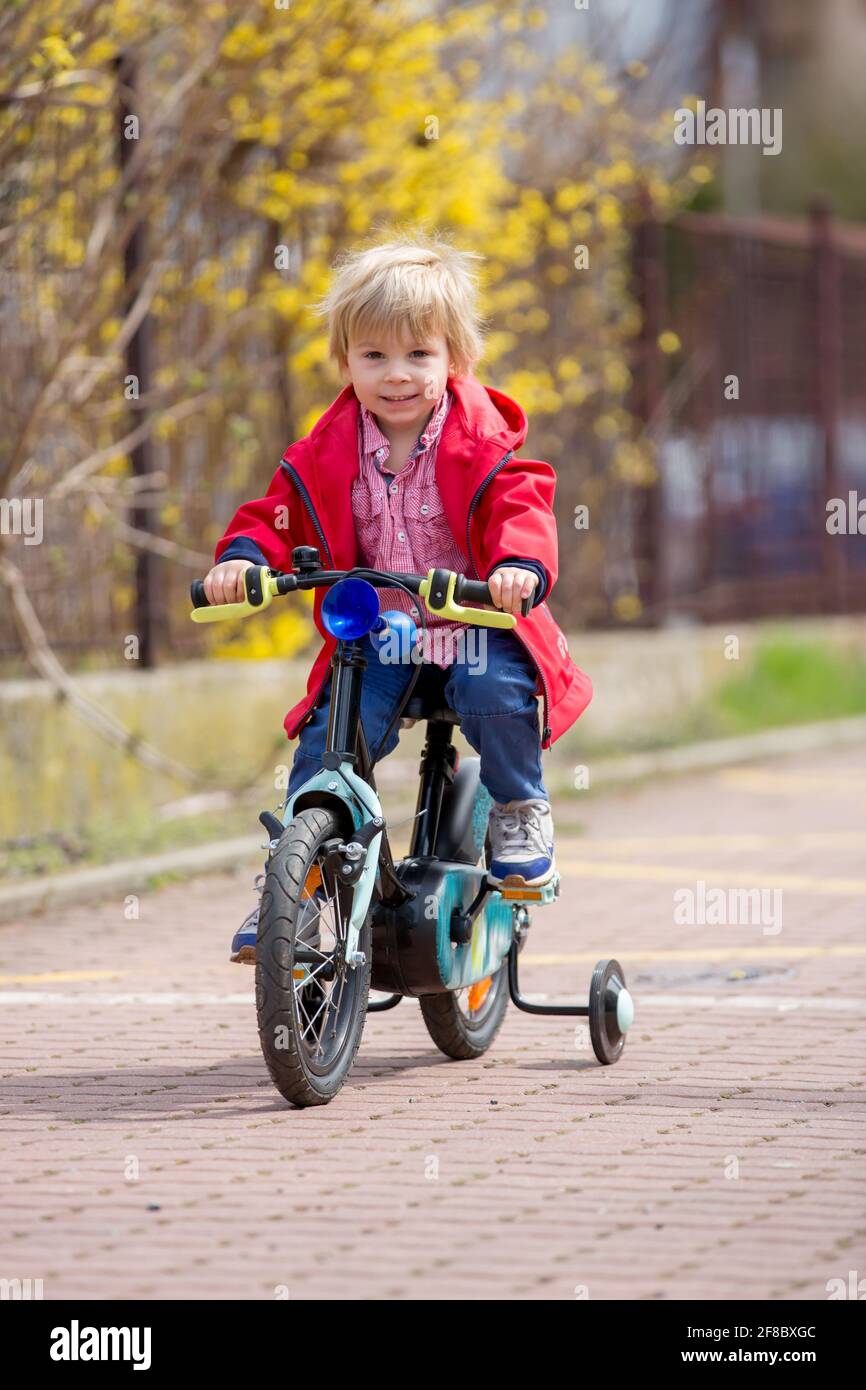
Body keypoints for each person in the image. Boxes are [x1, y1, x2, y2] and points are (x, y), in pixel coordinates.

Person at [204, 232, 592, 962]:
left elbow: (523, 507)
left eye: (419, 355)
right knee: (329, 736)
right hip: (384, 636)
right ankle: (296, 880)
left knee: (493, 690)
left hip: (473, 622)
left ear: (455, 359)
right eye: (374, 356)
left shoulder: (482, 441)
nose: (397, 375)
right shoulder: (328, 449)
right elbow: (277, 514)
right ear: (344, 360)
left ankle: (518, 807)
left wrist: (517, 566)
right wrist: (245, 559)